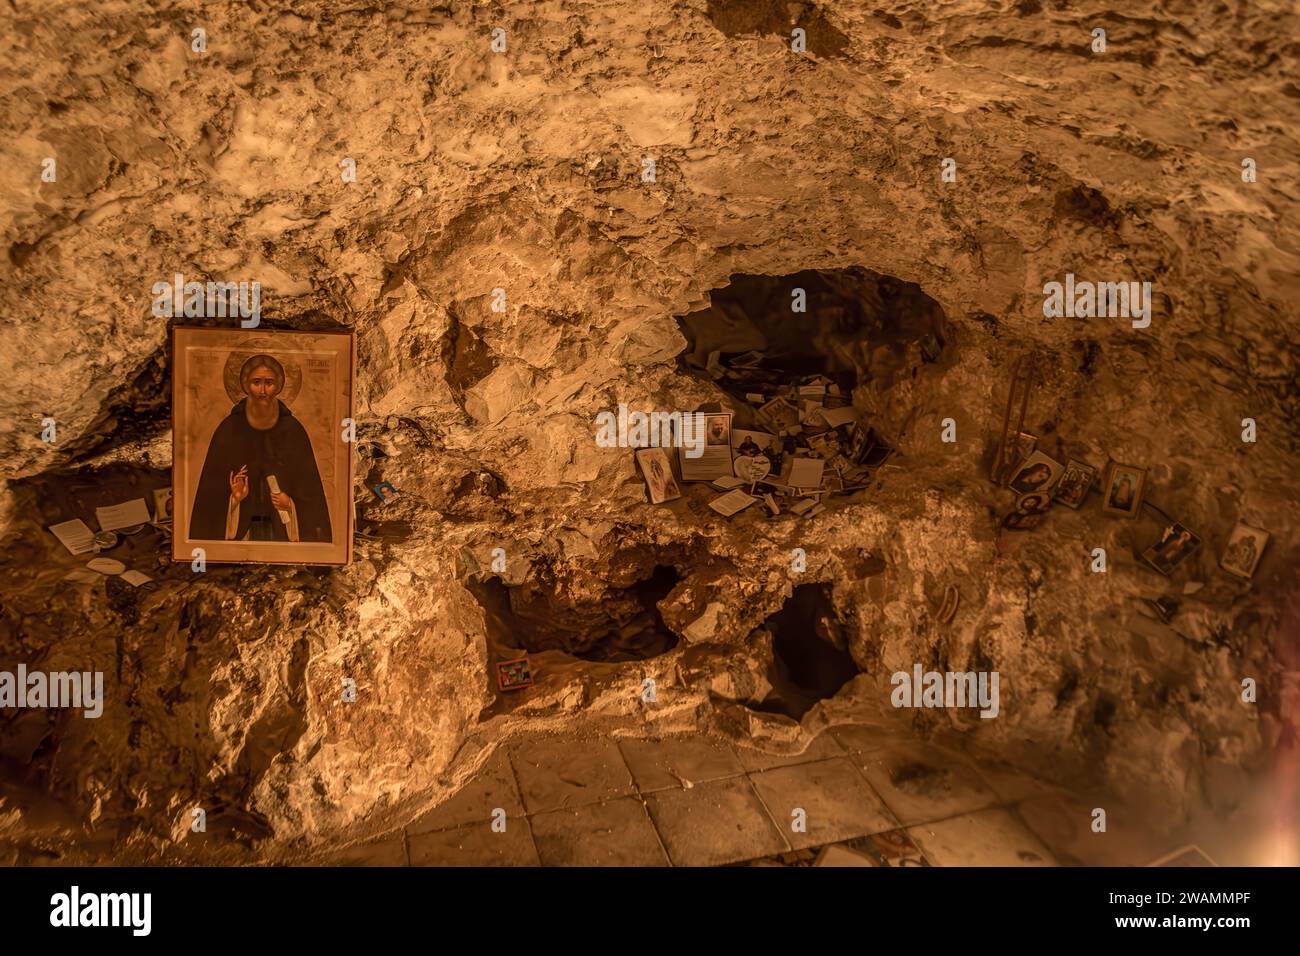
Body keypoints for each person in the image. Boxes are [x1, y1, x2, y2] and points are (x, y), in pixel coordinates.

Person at [190, 354, 332, 543]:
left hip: (283, 532)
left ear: (279, 386)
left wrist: (289, 503)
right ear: (245, 384)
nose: (263, 390)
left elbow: (308, 489)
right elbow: (211, 493)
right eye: (256, 382)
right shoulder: (229, 429)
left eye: (269, 382)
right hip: (242, 535)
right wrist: (234, 499)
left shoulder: (293, 430)